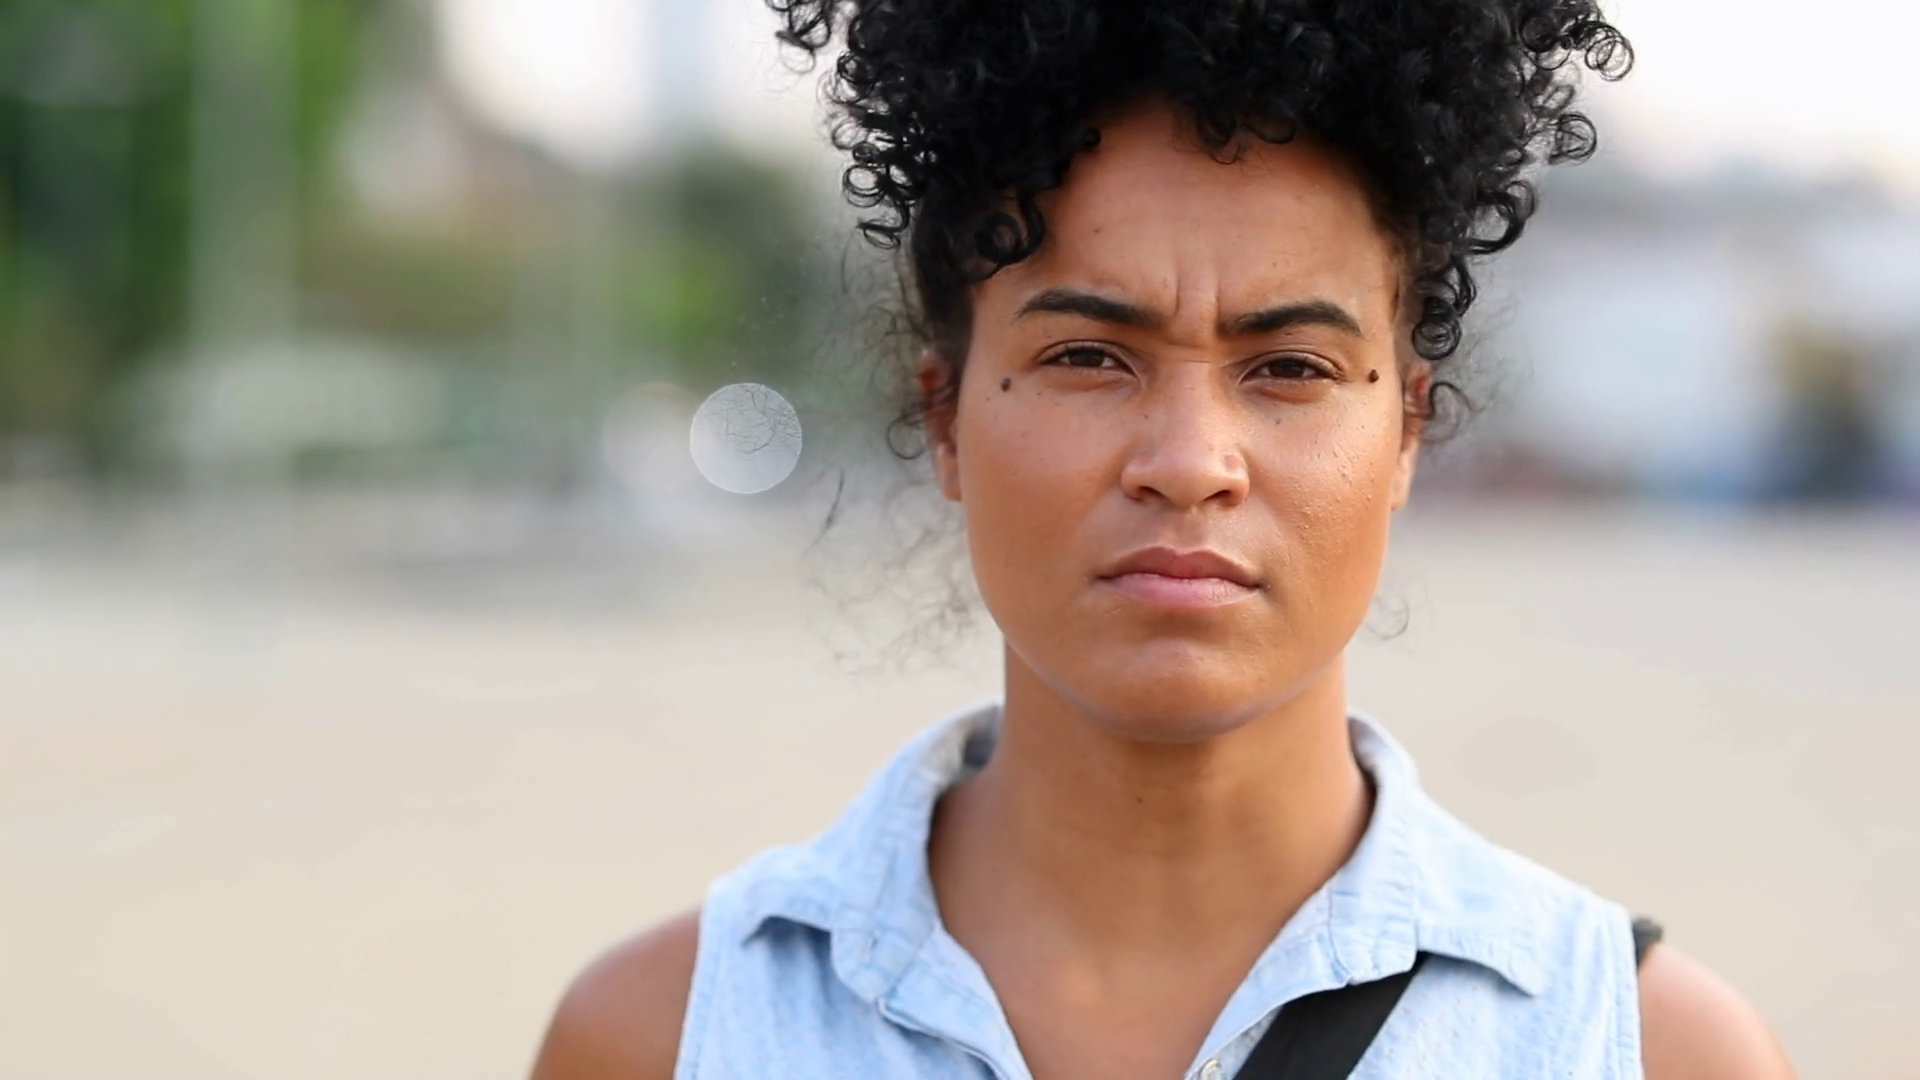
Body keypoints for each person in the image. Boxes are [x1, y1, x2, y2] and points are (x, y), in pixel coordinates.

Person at [533, 2, 1796, 1077]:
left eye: (1291, 365)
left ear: (1408, 429)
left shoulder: (1639, 1049)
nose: (1190, 461)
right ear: (947, 419)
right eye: (1087, 356)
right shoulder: (666, 1037)